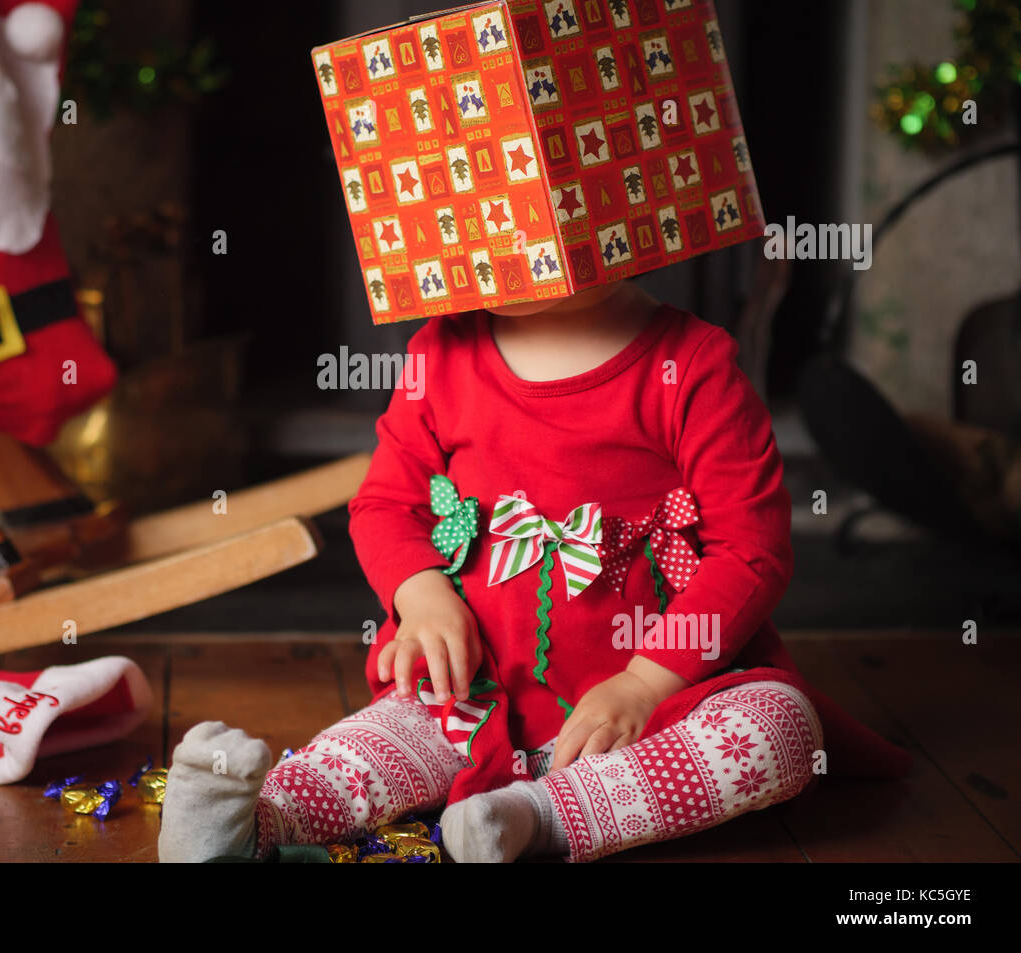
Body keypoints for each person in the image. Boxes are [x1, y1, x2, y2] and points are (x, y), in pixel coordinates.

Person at [158, 280, 909, 862]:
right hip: (468, 700)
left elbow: (752, 547)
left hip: (655, 717)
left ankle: (537, 816)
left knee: (780, 727)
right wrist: (420, 593)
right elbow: (385, 501)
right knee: (369, 743)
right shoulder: (440, 352)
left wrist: (648, 681)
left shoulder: (692, 362)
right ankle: (245, 824)